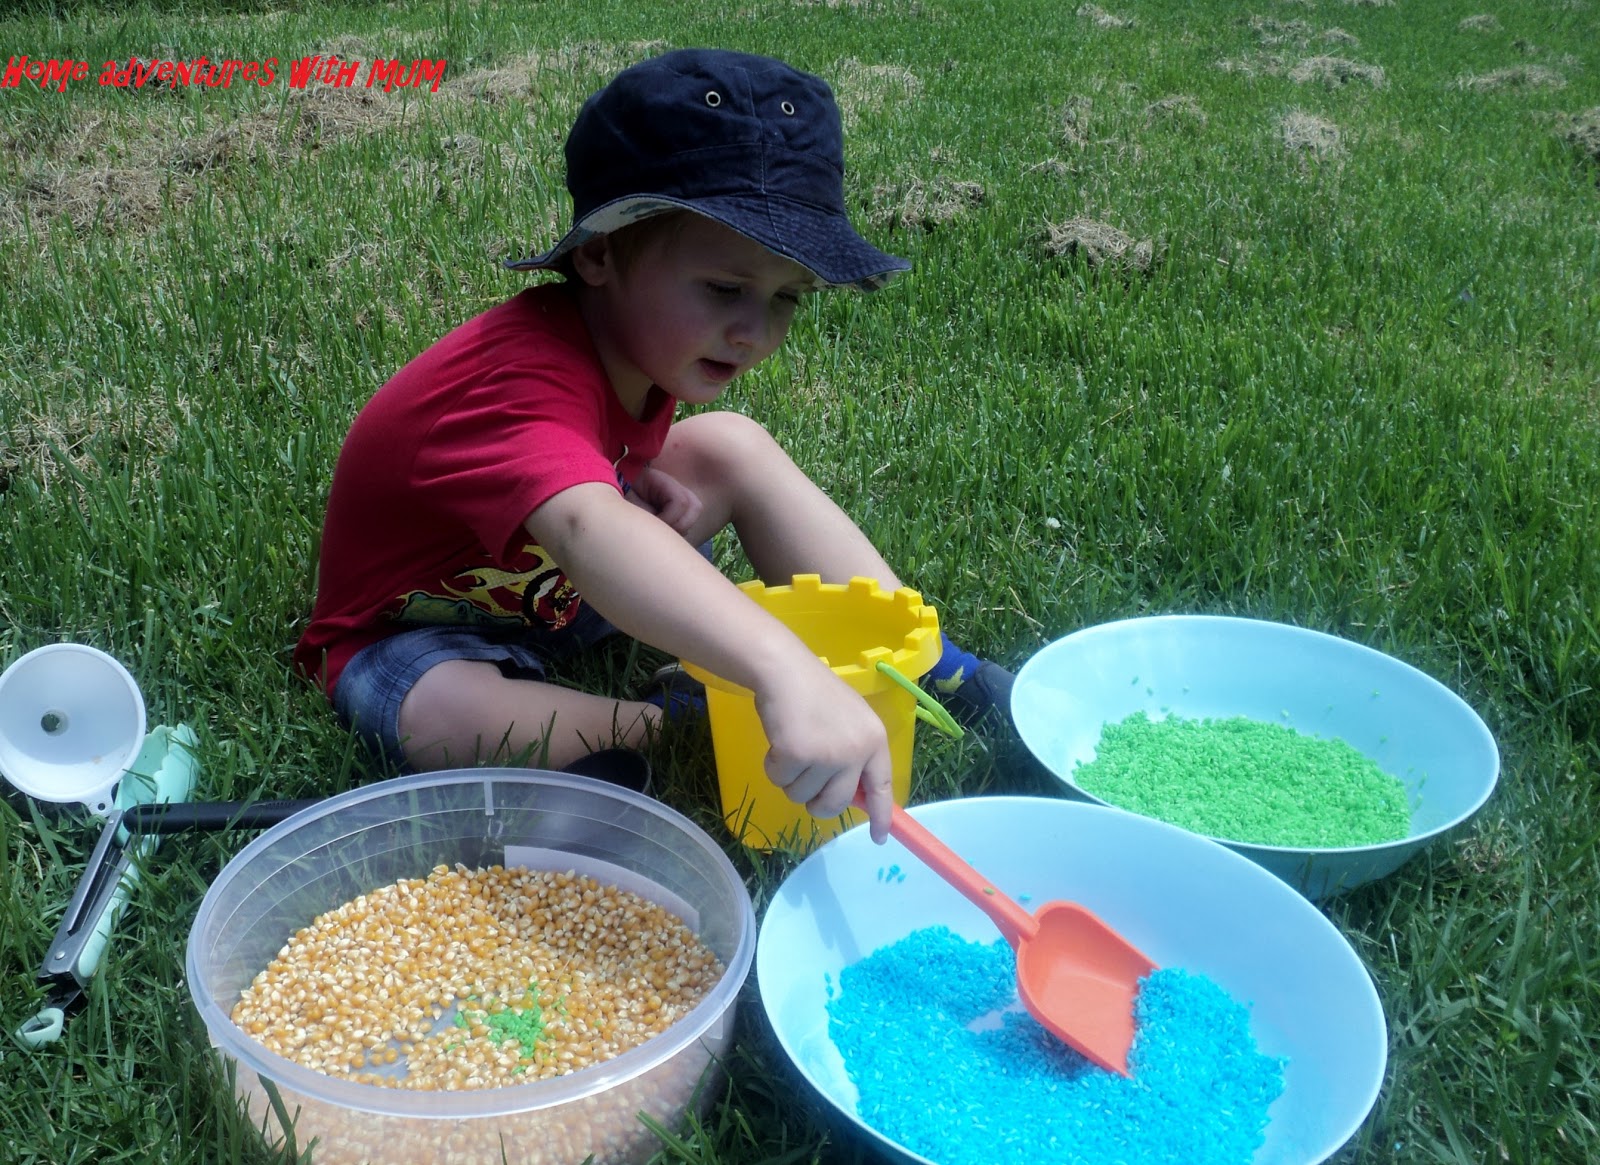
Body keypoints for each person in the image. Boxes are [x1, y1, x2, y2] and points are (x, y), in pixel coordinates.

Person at [293, 48, 1012, 844]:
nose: (755, 331)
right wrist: (780, 667)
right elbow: (587, 530)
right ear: (599, 253)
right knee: (441, 709)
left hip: (553, 586)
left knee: (732, 445)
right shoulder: (515, 376)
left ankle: (914, 655)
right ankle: (681, 721)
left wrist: (624, 479)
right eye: (725, 289)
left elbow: (596, 500)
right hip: (414, 628)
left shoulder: (642, 345)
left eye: (787, 300)